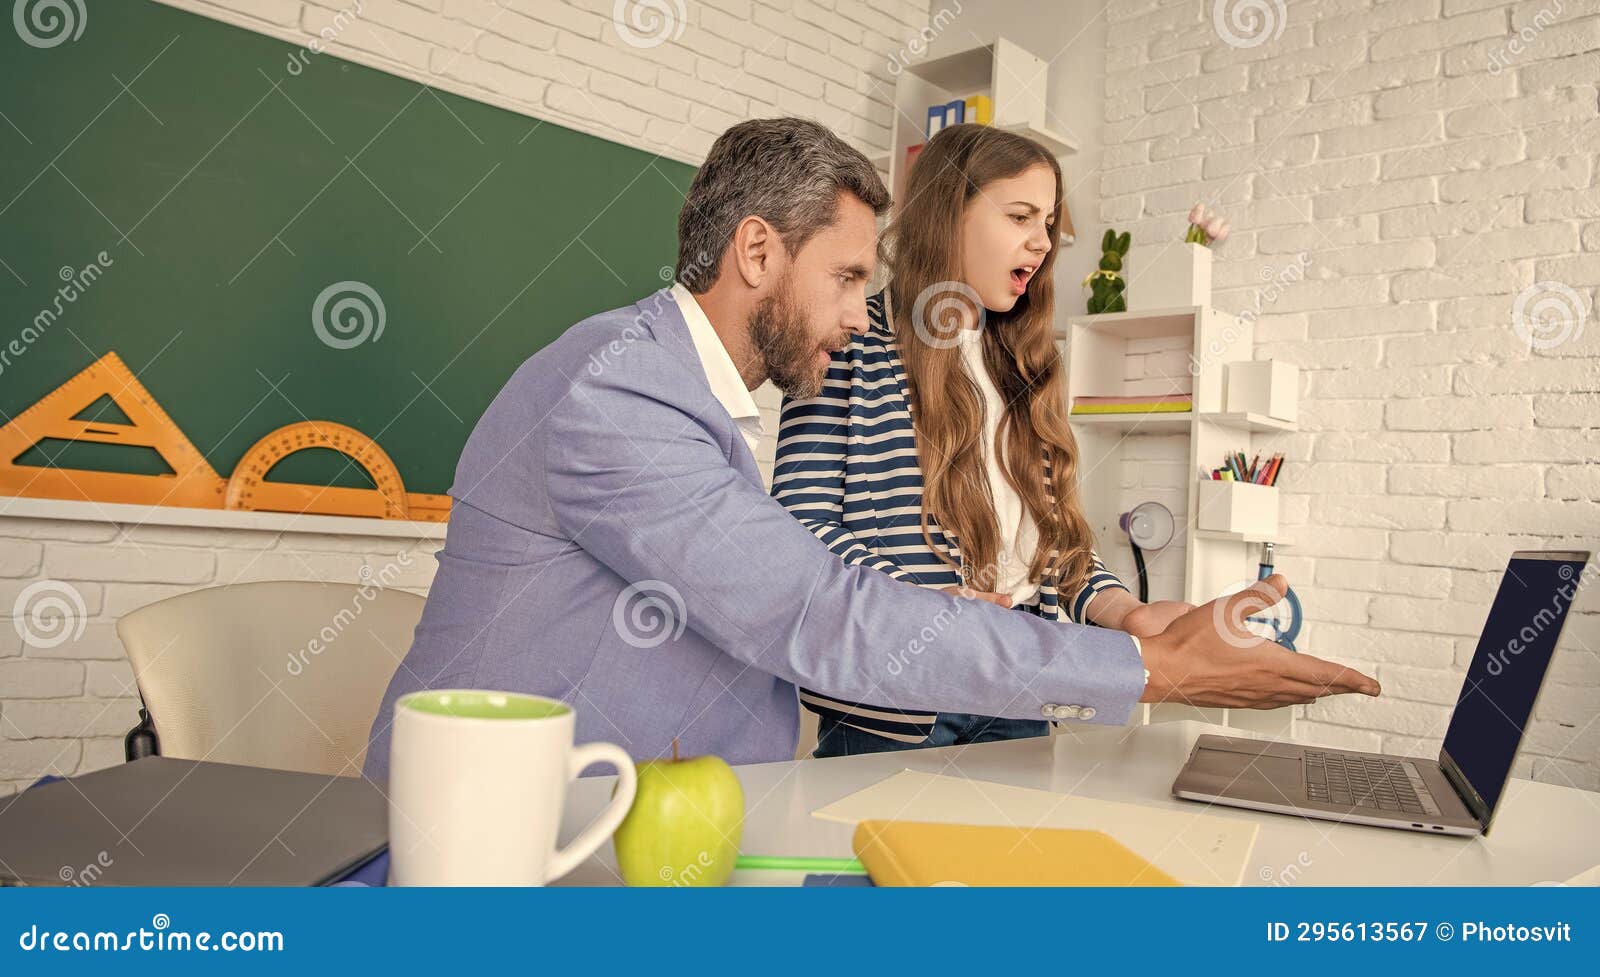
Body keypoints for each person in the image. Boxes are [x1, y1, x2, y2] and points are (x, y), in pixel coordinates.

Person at [362, 118, 1379, 780]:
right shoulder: (619, 388)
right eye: (848, 278)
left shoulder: (701, 400)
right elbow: (815, 605)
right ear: (757, 250)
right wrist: (1147, 668)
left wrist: (1130, 623)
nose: (860, 315)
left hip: (678, 818)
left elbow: (788, 601)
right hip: (515, 845)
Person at [773, 124, 1189, 757]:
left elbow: (1050, 548)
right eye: (1020, 215)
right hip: (899, 698)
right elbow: (798, 525)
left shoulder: (1025, 364)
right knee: (878, 853)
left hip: (1021, 683)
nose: (1042, 243)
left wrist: (1125, 612)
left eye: (1048, 224)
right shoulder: (851, 340)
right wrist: (918, 606)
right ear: (949, 217)